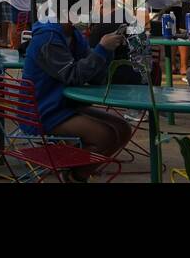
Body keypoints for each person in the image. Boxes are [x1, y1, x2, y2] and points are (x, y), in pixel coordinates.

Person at [23, 13, 132, 181]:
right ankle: (75, 175)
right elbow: (72, 76)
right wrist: (101, 49)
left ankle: (76, 171)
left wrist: (108, 51)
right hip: (42, 110)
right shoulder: (48, 38)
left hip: (64, 105)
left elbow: (94, 77)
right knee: (105, 136)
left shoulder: (75, 36)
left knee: (123, 129)